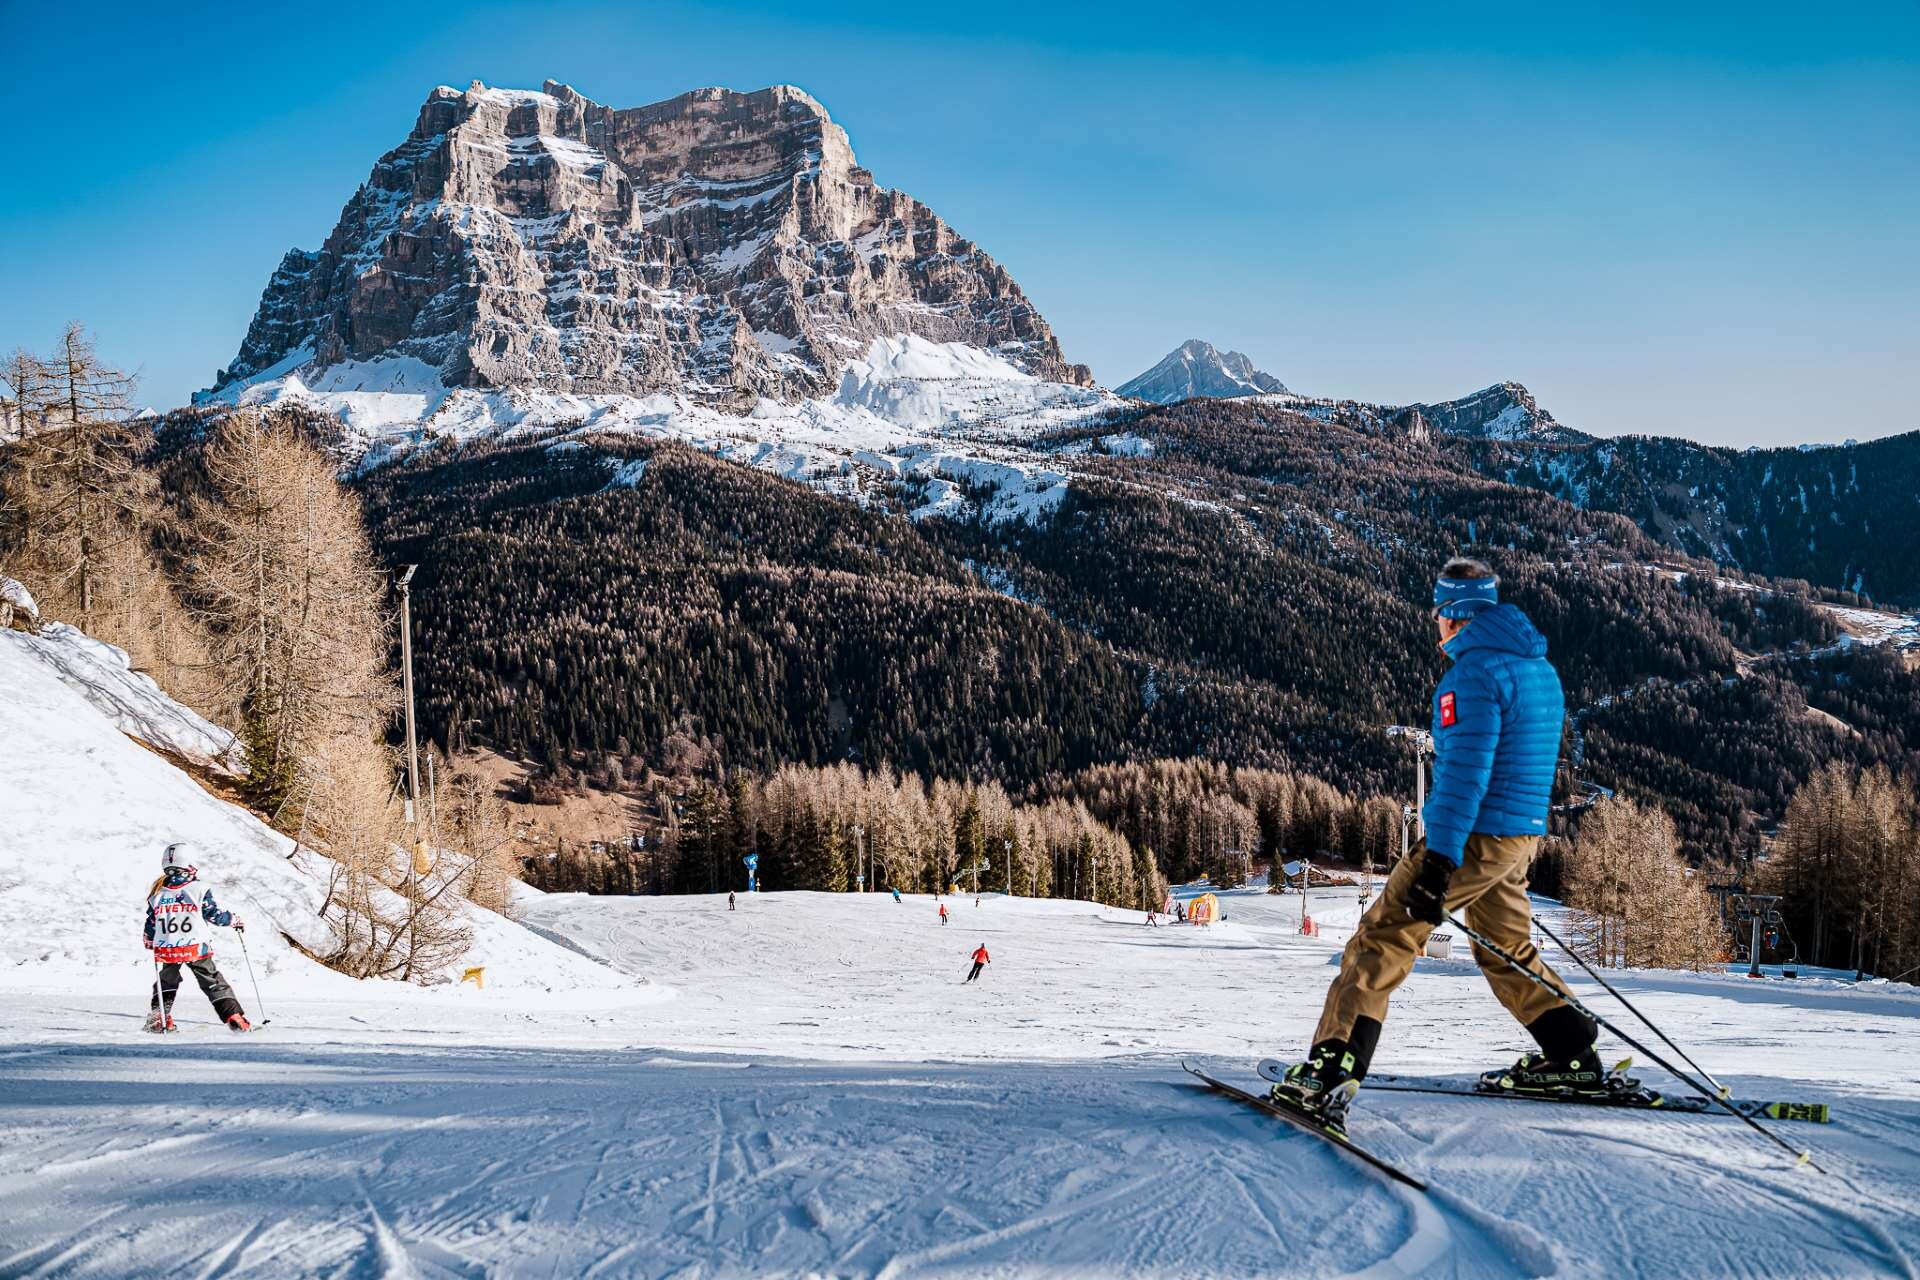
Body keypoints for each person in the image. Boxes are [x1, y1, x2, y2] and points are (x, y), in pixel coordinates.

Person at [1271, 558, 1598, 1130]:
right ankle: (1572, 1053)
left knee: (1383, 937)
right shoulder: (1536, 666)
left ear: (1452, 615)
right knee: (1504, 945)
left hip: (1472, 835)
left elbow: (1464, 777)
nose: (1436, 625)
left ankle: (1331, 1068)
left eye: (1439, 614)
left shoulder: (1470, 676)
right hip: (1519, 835)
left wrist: (1439, 861)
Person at [144, 842, 251, 1033]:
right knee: (212, 980)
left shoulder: (158, 893)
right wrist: (233, 920)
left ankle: (158, 1018)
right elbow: (214, 915)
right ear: (189, 865)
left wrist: (149, 938)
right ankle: (233, 1017)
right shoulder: (198, 888)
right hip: (194, 945)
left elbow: (151, 922)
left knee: (167, 981)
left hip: (168, 948)